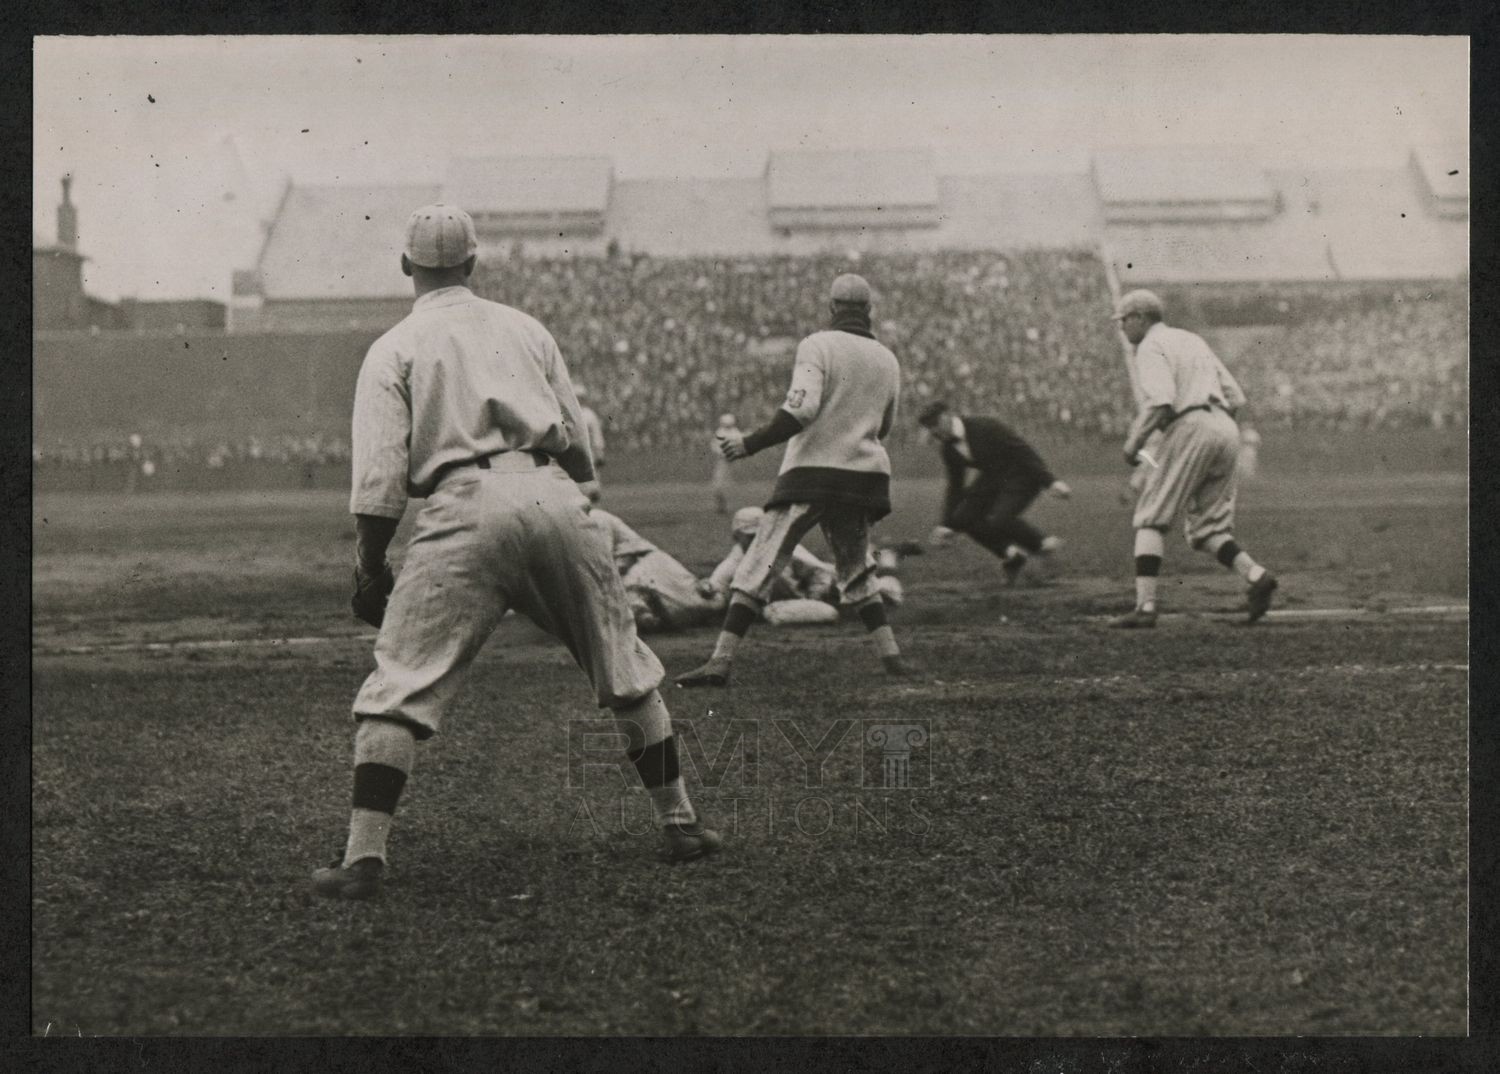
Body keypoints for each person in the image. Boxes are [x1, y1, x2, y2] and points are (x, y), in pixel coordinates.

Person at [314, 203, 720, 901]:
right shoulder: (526, 329)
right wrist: (572, 507)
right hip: (552, 489)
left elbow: (380, 477)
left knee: (402, 681)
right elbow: (578, 448)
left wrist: (370, 562)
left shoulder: (393, 347)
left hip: (462, 502)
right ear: (473, 262)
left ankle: (362, 859)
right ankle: (681, 823)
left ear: (407, 266)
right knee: (623, 666)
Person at [676, 273, 910, 687]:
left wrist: (750, 444)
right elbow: (885, 426)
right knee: (857, 571)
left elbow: (801, 411)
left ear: (832, 308)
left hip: (812, 473)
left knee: (760, 561)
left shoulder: (817, 345)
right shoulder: (888, 360)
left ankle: (720, 662)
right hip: (863, 478)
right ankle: (891, 656)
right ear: (869, 311)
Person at [1109, 289, 1278, 628]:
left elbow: (1161, 402)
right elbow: (1235, 395)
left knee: (1150, 518)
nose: (1122, 329)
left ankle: (1145, 608)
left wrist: (1133, 443)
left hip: (1191, 424)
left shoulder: (1150, 347)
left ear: (1141, 318)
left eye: (1124, 320)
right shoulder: (1191, 340)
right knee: (1206, 529)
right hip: (1224, 426)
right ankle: (1257, 576)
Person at [916, 401, 1070, 584]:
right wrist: (947, 524)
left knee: (999, 519)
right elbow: (955, 486)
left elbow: (1022, 450)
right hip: (993, 479)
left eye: (936, 423)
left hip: (1022, 475)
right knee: (963, 517)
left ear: (948, 415)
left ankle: (1042, 544)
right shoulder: (948, 449)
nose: (934, 431)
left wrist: (1051, 482)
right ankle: (1011, 555)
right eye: (929, 427)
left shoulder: (985, 425)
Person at [591, 507, 726, 633]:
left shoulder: (595, 518)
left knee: (703, 605)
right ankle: (646, 615)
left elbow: (615, 564)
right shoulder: (584, 520)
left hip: (647, 563)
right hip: (638, 570)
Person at [574, 384, 606, 502]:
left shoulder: (589, 415)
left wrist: (599, 452)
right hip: (574, 454)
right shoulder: (569, 414)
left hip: (588, 453)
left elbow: (597, 436)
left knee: (592, 487)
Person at [710, 413, 738, 514]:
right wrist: (722, 454)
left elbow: (737, 446)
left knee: (725, 484)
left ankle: (724, 506)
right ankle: (721, 505)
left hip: (730, 461)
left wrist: (730, 454)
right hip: (722, 460)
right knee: (718, 484)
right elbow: (714, 446)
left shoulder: (735, 432)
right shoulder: (720, 432)